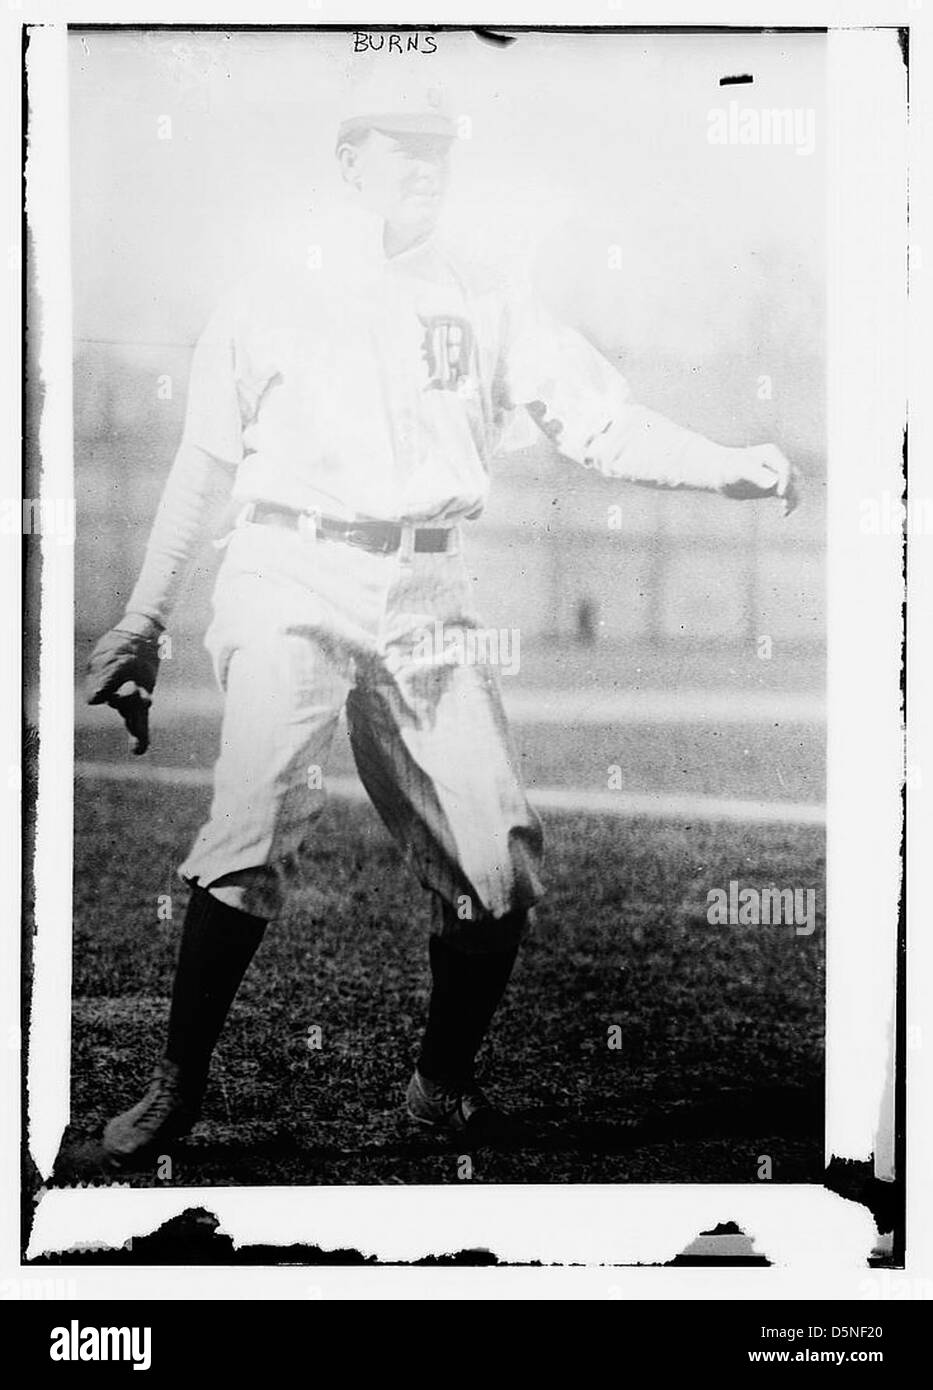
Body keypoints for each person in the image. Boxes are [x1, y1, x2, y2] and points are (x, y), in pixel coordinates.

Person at [87, 87, 799, 1163]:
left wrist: (727, 468)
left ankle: (437, 1089)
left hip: (429, 588)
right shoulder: (272, 291)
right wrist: (145, 615)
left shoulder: (485, 296)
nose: (426, 164)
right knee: (252, 826)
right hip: (291, 569)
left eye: (439, 149)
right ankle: (176, 1088)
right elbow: (206, 462)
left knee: (499, 859)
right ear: (348, 162)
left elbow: (598, 421)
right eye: (401, 147)